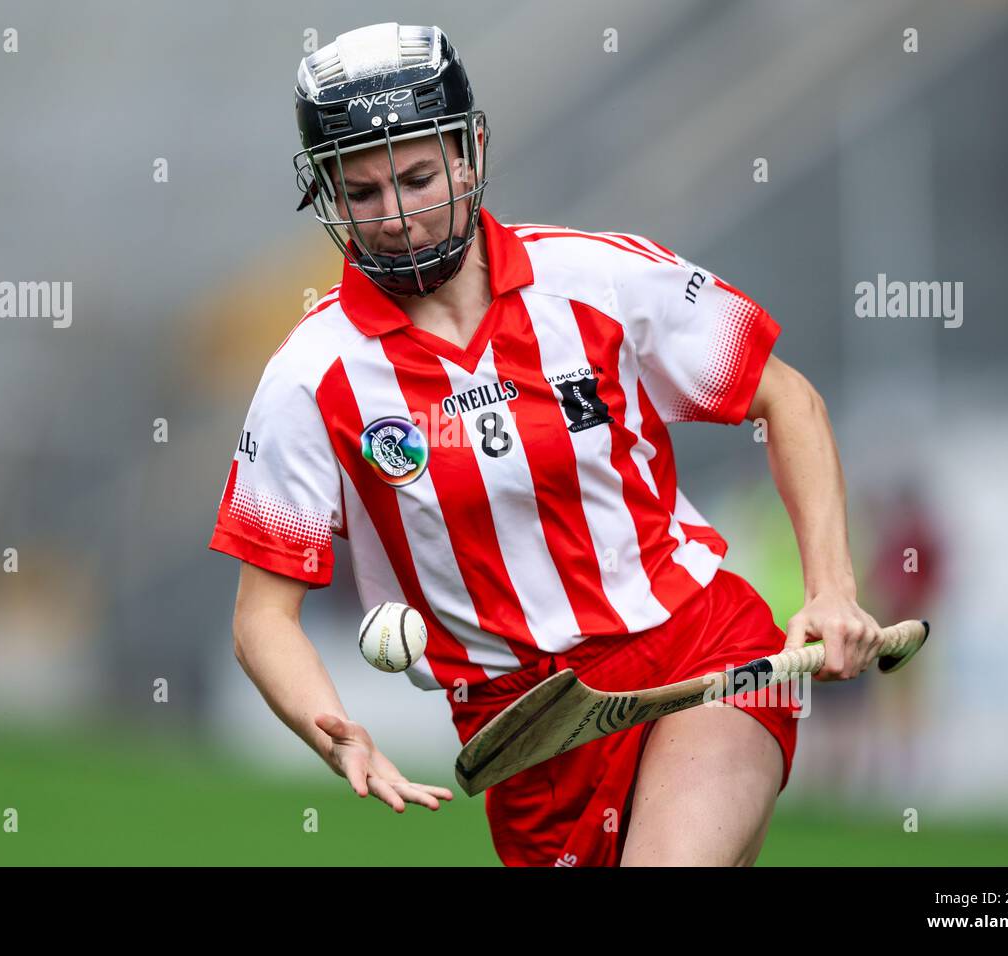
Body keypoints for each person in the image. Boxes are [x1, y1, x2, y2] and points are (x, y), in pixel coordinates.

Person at [209, 21, 886, 866]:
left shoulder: (600, 279)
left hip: (699, 651)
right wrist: (334, 732)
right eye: (365, 192)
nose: (400, 217)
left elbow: (787, 399)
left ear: (468, 154)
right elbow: (262, 620)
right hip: (532, 736)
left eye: (419, 176)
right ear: (331, 199)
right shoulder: (312, 377)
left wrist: (830, 590)